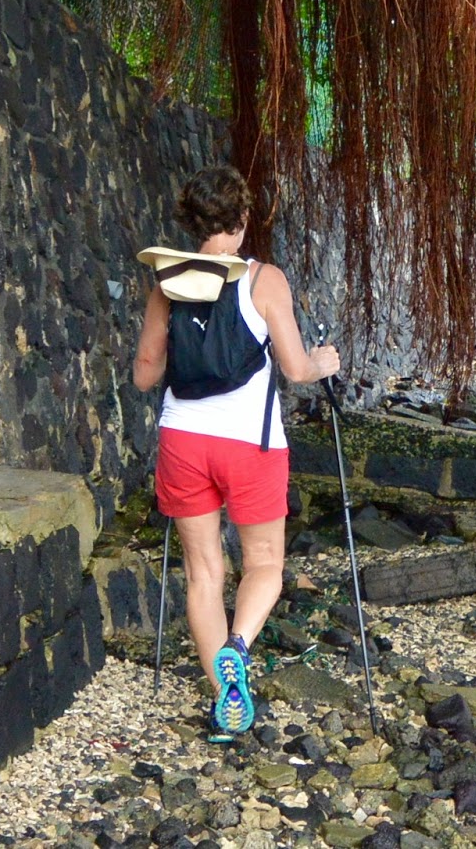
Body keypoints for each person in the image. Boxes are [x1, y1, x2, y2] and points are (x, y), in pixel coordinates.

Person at [132, 164, 339, 734]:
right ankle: (239, 649)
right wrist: (325, 361)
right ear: (243, 221)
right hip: (250, 444)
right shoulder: (263, 279)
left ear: (192, 222)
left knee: (203, 573)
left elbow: (146, 376)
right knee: (266, 564)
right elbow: (296, 369)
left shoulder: (166, 284)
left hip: (184, 440)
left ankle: (225, 697)